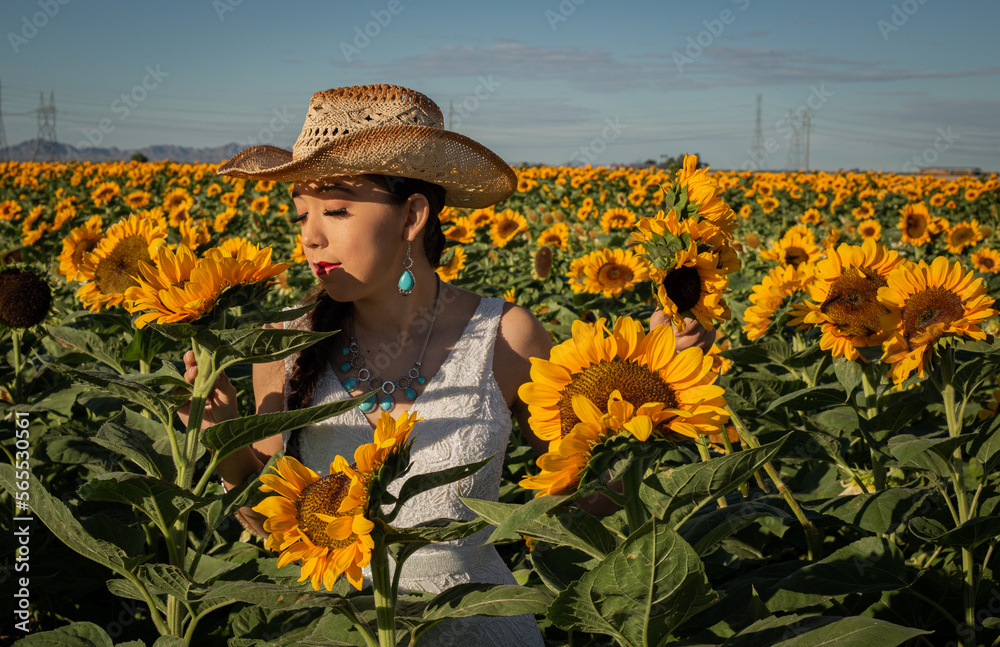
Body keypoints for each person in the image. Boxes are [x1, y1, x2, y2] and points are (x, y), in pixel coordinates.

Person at [179, 83, 713, 645]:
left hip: (481, 623)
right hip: (345, 629)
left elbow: (578, 505)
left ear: (412, 215)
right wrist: (223, 443)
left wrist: (655, 389)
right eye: (301, 215)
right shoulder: (284, 346)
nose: (311, 238)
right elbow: (275, 527)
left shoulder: (506, 337)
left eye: (335, 211)